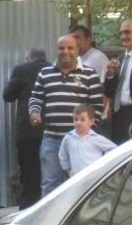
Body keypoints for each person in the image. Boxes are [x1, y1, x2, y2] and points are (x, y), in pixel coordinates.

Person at [29, 34, 104, 198]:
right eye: (61, 48)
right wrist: (34, 112)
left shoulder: (90, 75)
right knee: (50, 184)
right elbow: (36, 98)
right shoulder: (45, 73)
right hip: (52, 140)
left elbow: (97, 106)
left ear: (77, 50)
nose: (65, 51)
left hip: (79, 142)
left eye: (70, 48)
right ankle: (49, 221)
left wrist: (88, 134)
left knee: (77, 184)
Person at [2, 47, 50, 209]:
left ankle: (29, 209)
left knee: (29, 174)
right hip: (52, 129)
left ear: (28, 58)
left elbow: (7, 95)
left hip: (28, 130)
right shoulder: (54, 69)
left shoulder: (22, 69)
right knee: (51, 173)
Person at [59, 104, 116, 177]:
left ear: (92, 121)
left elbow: (114, 149)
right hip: (75, 178)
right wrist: (69, 170)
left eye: (82, 120)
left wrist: (103, 163)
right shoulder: (68, 138)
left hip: (93, 177)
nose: (78, 122)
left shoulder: (96, 138)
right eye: (76, 119)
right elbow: (63, 155)